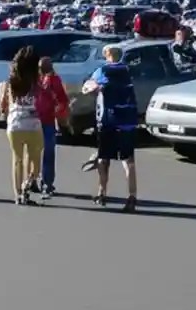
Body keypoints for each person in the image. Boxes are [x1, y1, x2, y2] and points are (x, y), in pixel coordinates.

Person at [82, 45, 139, 212]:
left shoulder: (102, 71)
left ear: (107, 55)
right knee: (129, 161)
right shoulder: (128, 70)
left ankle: (102, 193)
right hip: (128, 120)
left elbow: (87, 89)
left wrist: (94, 89)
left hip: (108, 120)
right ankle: (132, 196)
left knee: (103, 158)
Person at [0, 47, 44, 204]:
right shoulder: (36, 84)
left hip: (15, 125)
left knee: (17, 160)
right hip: (33, 125)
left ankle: (18, 195)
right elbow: (43, 103)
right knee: (35, 160)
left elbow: (2, 107)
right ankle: (28, 184)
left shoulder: (10, 83)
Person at [35, 55, 71, 197]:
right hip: (46, 120)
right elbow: (63, 100)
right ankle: (46, 182)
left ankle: (35, 180)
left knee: (34, 153)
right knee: (48, 153)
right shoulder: (53, 80)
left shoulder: (37, 80)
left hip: (36, 120)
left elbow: (62, 99)